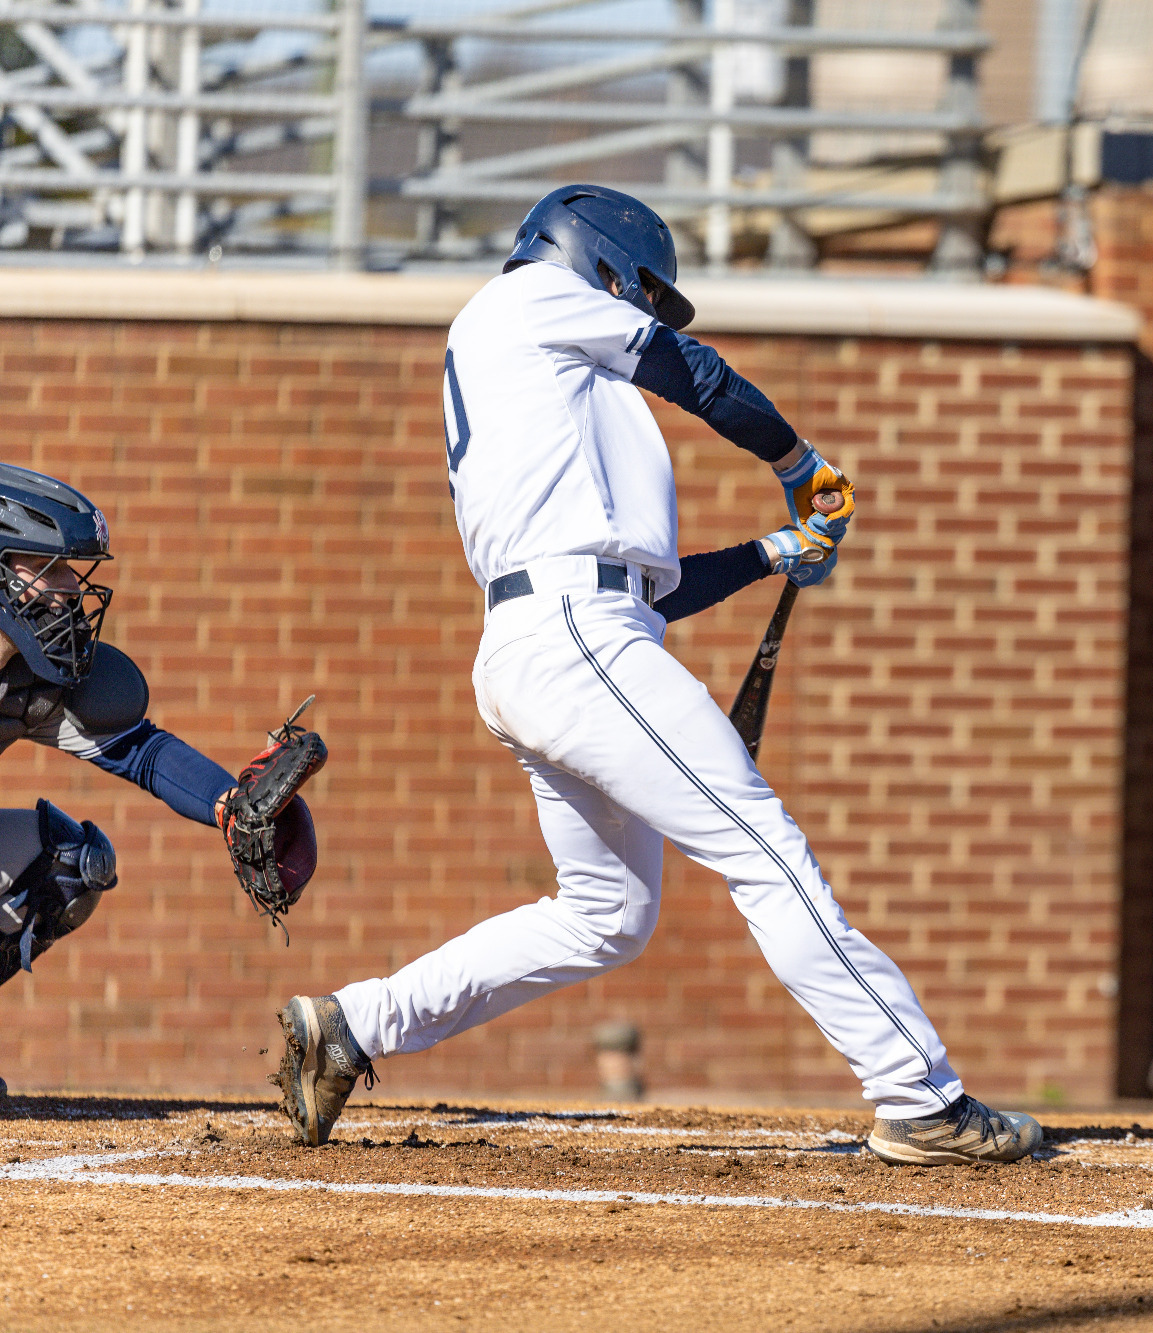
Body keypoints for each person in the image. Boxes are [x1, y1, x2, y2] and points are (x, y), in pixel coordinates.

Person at [272, 185, 1042, 1164]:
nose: (642, 312)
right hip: (572, 636)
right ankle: (919, 1094)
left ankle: (354, 1024)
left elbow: (649, 595)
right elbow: (699, 372)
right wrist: (797, 460)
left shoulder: (565, 391)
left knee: (607, 915)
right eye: (640, 292)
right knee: (764, 851)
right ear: (599, 262)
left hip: (563, 635)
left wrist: (773, 550)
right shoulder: (526, 300)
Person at [0, 465, 312, 1036]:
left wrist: (232, 807)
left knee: (68, 864)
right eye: (49, 568)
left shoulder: (23, 684)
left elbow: (140, 752)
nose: (72, 587)